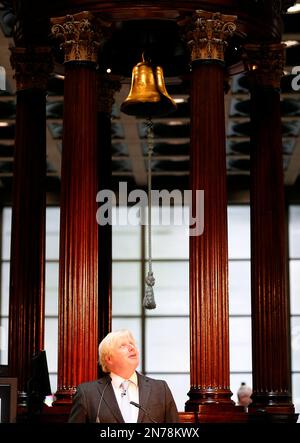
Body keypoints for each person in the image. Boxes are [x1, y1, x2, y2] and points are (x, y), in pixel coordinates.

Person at [68, 329, 179, 423]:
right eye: (123, 345)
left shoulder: (160, 389)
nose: (131, 347)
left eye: (132, 344)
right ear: (109, 359)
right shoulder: (87, 393)